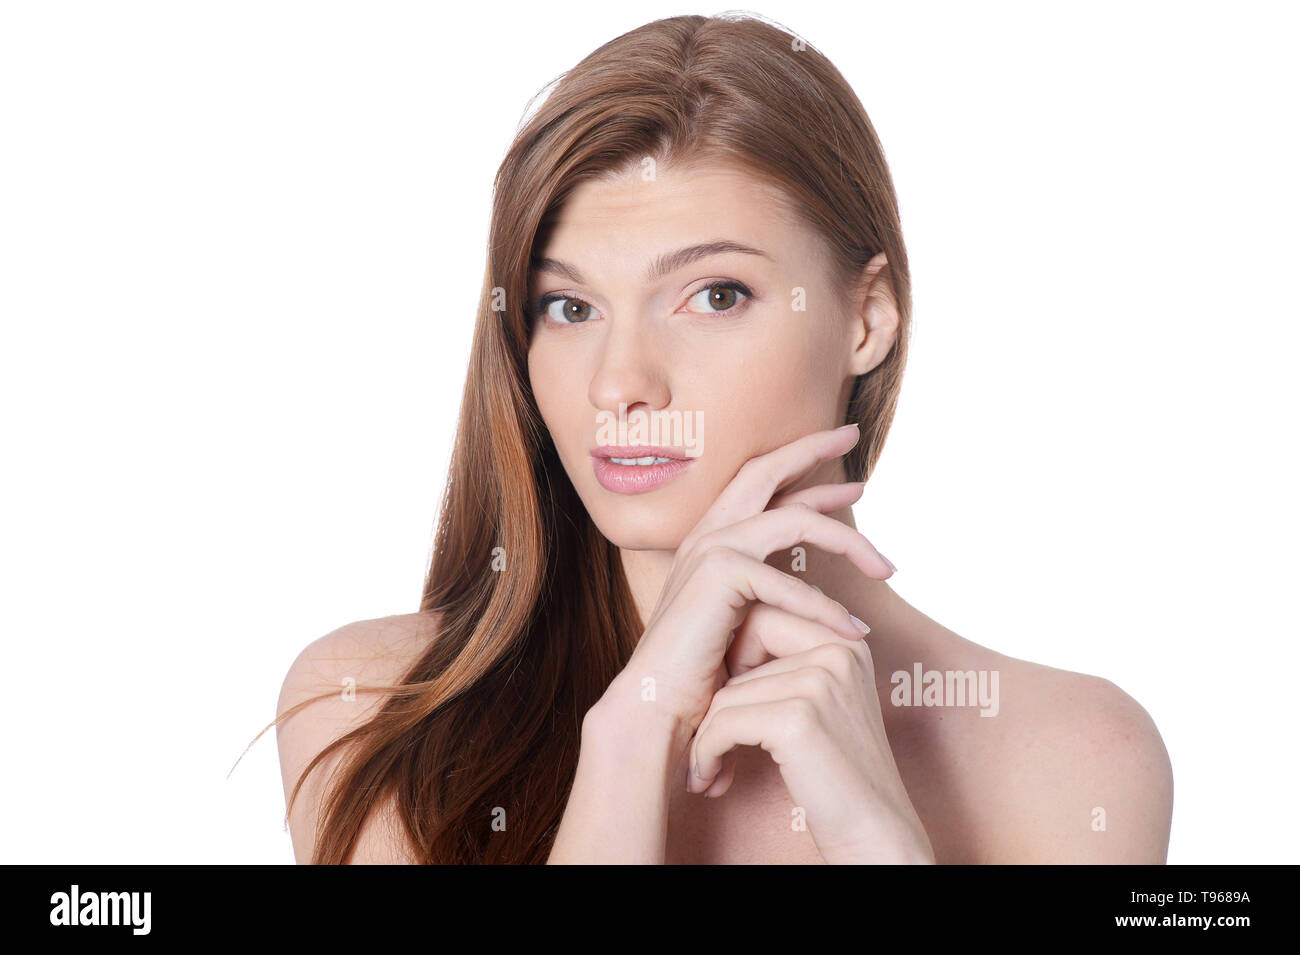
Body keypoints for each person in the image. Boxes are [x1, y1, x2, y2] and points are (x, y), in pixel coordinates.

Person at [271, 12, 1173, 864]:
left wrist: (881, 845)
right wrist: (629, 740)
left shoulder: (1077, 758)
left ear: (869, 315)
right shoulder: (374, 713)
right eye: (570, 306)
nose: (620, 382)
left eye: (714, 295)